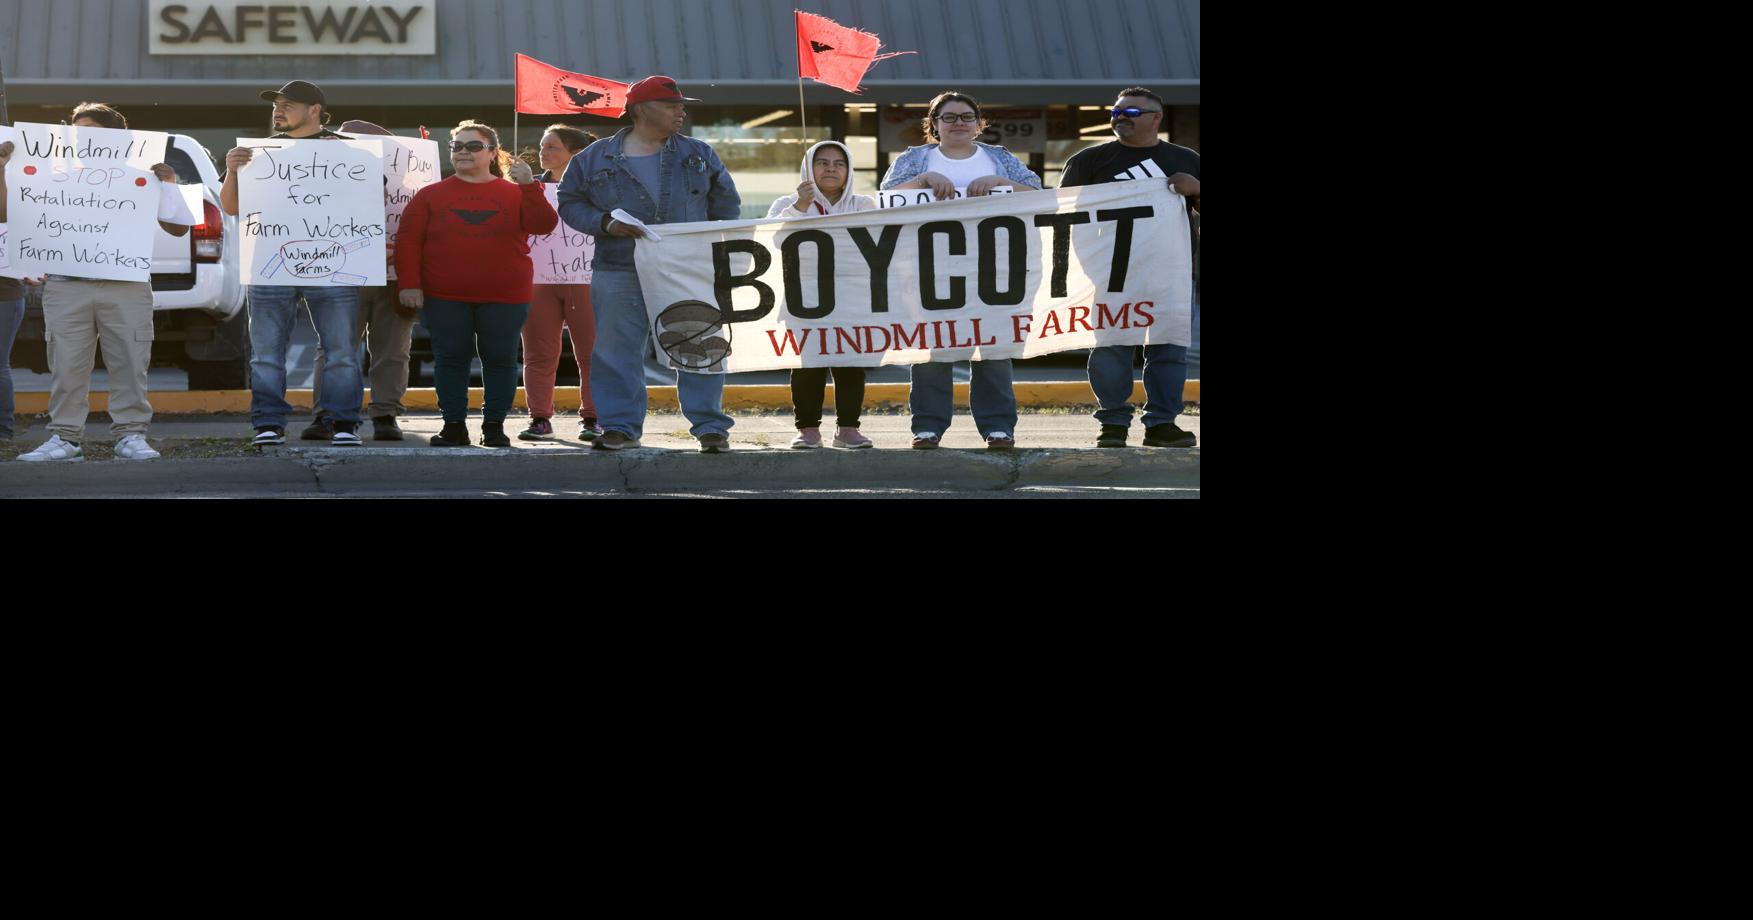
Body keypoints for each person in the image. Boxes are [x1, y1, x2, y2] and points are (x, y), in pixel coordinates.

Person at [555, 75, 741, 453]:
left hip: (688, 268)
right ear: (642, 110)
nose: (681, 111)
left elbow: (727, 206)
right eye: (672, 105)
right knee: (616, 350)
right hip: (619, 267)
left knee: (700, 345)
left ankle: (710, 429)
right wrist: (605, 223)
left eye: (680, 105)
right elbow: (569, 202)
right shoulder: (592, 158)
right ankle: (620, 427)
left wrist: (717, 254)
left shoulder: (699, 153)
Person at [8, 104, 196, 463]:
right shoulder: (53, 177)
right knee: (65, 365)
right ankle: (64, 438)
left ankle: (131, 436)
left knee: (130, 362)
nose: (82, 140)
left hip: (126, 285)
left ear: (115, 138)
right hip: (67, 286)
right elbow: (16, 216)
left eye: (90, 131)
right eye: (77, 133)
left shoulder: (145, 177)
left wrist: (169, 184)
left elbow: (178, 227)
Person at [880, 92, 1040, 451]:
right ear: (933, 124)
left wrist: (1001, 184)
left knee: (993, 347)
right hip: (930, 267)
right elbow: (886, 198)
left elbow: (1037, 193)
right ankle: (928, 427)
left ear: (979, 123)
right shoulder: (915, 158)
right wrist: (923, 179)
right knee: (933, 347)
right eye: (948, 117)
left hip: (994, 267)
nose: (958, 124)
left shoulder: (998, 158)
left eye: (966, 117)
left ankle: (998, 427)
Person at [220, 80, 367, 448]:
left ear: (315, 110)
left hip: (333, 264)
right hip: (271, 264)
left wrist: (350, 163)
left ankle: (343, 423)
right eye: (275, 106)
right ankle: (268, 423)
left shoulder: (346, 150)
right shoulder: (258, 153)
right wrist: (231, 170)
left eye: (288, 105)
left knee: (341, 350)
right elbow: (232, 208)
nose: (278, 111)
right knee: (267, 352)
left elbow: (370, 201)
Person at [396, 120, 556, 447]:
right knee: (450, 359)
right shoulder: (430, 195)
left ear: (493, 152)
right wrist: (409, 284)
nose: (463, 152)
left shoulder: (516, 191)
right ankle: (453, 425)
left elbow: (543, 225)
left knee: (499, 359)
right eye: (457, 146)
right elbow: (408, 242)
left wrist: (529, 186)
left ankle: (494, 426)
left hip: (505, 295)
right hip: (444, 296)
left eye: (473, 146)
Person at [1058, 86, 1200, 448]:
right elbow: (1061, 217)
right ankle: (1113, 425)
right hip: (1108, 275)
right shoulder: (1088, 161)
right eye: (1116, 111)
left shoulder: (1185, 159)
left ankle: (1161, 426)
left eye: (1132, 113)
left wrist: (1197, 189)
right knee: (1111, 350)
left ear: (1156, 119)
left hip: (1171, 274)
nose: (1121, 117)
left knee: (1167, 350)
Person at [307, 119, 419, 441]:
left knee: (393, 349)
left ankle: (385, 414)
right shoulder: (322, 180)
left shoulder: (412, 188)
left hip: (394, 277)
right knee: (333, 349)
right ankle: (327, 414)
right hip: (342, 276)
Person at [766, 140, 877, 449]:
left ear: (849, 170)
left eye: (838, 163)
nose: (830, 168)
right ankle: (807, 429)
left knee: (851, 364)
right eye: (822, 162)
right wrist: (800, 206)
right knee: (807, 364)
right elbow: (770, 241)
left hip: (853, 297)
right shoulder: (786, 203)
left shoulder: (864, 204)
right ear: (808, 168)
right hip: (804, 297)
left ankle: (848, 428)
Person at [519, 124, 600, 443]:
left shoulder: (596, 191)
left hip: (586, 280)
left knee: (592, 354)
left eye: (552, 147)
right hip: (539, 281)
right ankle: (539, 418)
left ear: (576, 154)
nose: (543, 152)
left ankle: (593, 418)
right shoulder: (528, 188)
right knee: (538, 353)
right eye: (542, 146)